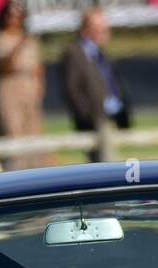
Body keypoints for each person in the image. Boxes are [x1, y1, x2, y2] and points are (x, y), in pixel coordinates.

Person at [59, 7, 130, 161]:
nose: (106, 32)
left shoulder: (100, 53)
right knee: (105, 167)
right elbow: (72, 89)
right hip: (94, 119)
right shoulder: (74, 52)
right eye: (101, 29)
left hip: (110, 116)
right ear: (87, 30)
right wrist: (88, 116)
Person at [0, 0, 46, 170]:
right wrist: (18, 46)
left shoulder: (30, 39)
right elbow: (2, 66)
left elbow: (38, 67)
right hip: (9, 90)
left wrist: (39, 88)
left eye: (18, 15)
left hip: (29, 91)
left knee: (34, 137)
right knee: (14, 136)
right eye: (11, 14)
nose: (14, 19)